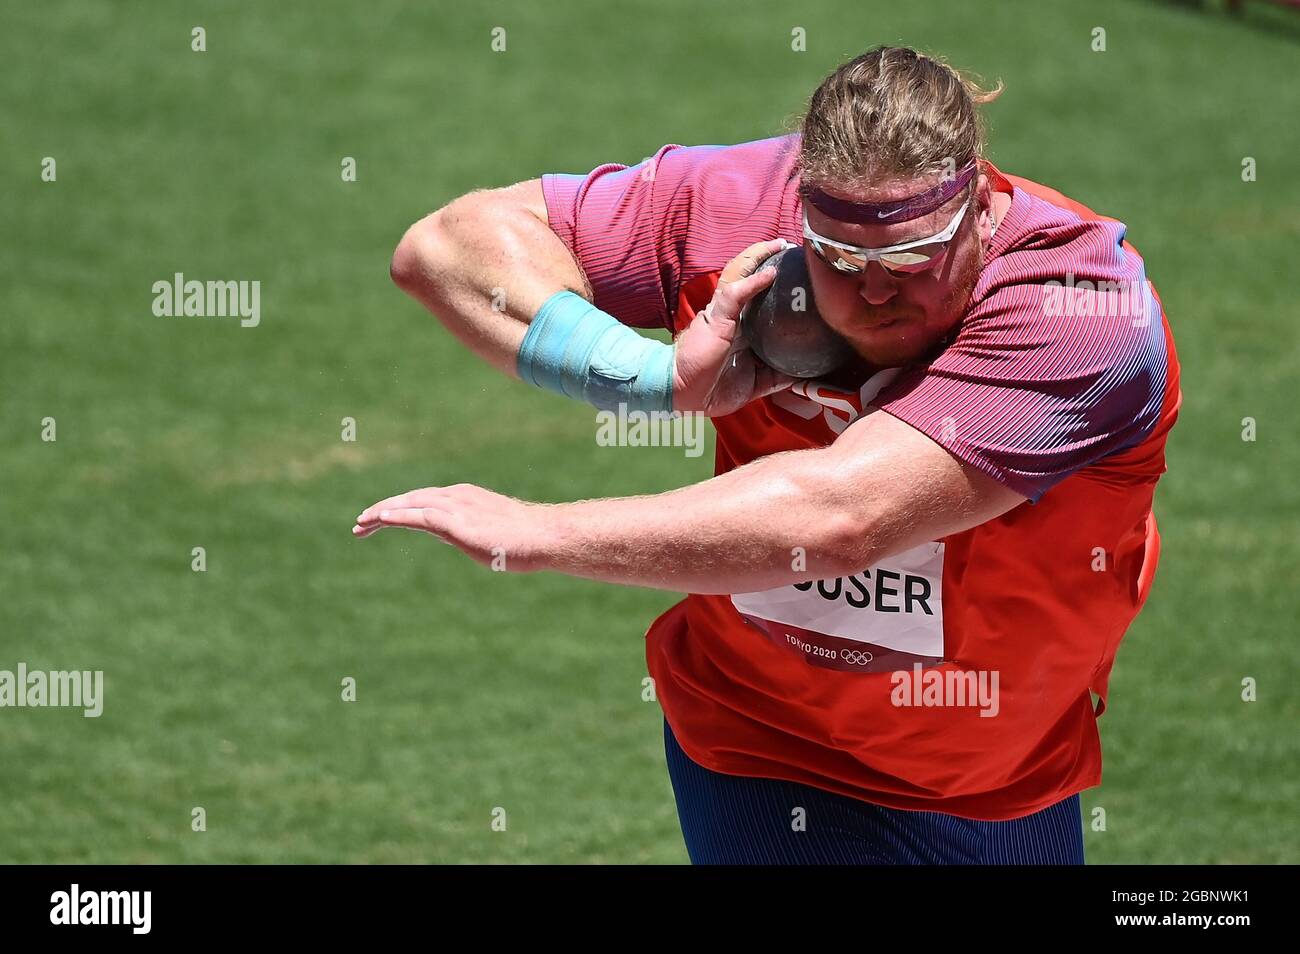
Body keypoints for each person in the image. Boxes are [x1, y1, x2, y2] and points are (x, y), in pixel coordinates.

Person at [355, 46, 1181, 865]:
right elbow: (447, 248)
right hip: (755, 738)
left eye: (910, 260)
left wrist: (533, 534)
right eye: (841, 259)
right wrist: (652, 376)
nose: (877, 291)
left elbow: (840, 517)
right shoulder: (739, 210)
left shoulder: (1081, 307)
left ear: (976, 208)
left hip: (998, 774)